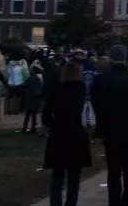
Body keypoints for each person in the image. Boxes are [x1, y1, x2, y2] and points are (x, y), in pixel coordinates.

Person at [92, 44, 128, 206]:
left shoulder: (103, 78)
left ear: (111, 57)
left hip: (111, 131)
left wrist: (103, 122)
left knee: (114, 171)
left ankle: (114, 201)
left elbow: (97, 104)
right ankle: (127, 201)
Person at [42, 63, 91, 206]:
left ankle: (55, 203)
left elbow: (46, 115)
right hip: (78, 134)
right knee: (74, 176)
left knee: (57, 175)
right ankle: (71, 203)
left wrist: (54, 125)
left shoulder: (57, 89)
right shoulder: (83, 89)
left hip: (59, 134)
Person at [22, 60, 44, 133]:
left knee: (28, 114)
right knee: (34, 114)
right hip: (36, 98)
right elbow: (41, 87)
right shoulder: (38, 79)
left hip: (29, 97)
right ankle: (33, 128)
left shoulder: (29, 78)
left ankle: (25, 127)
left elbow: (24, 86)